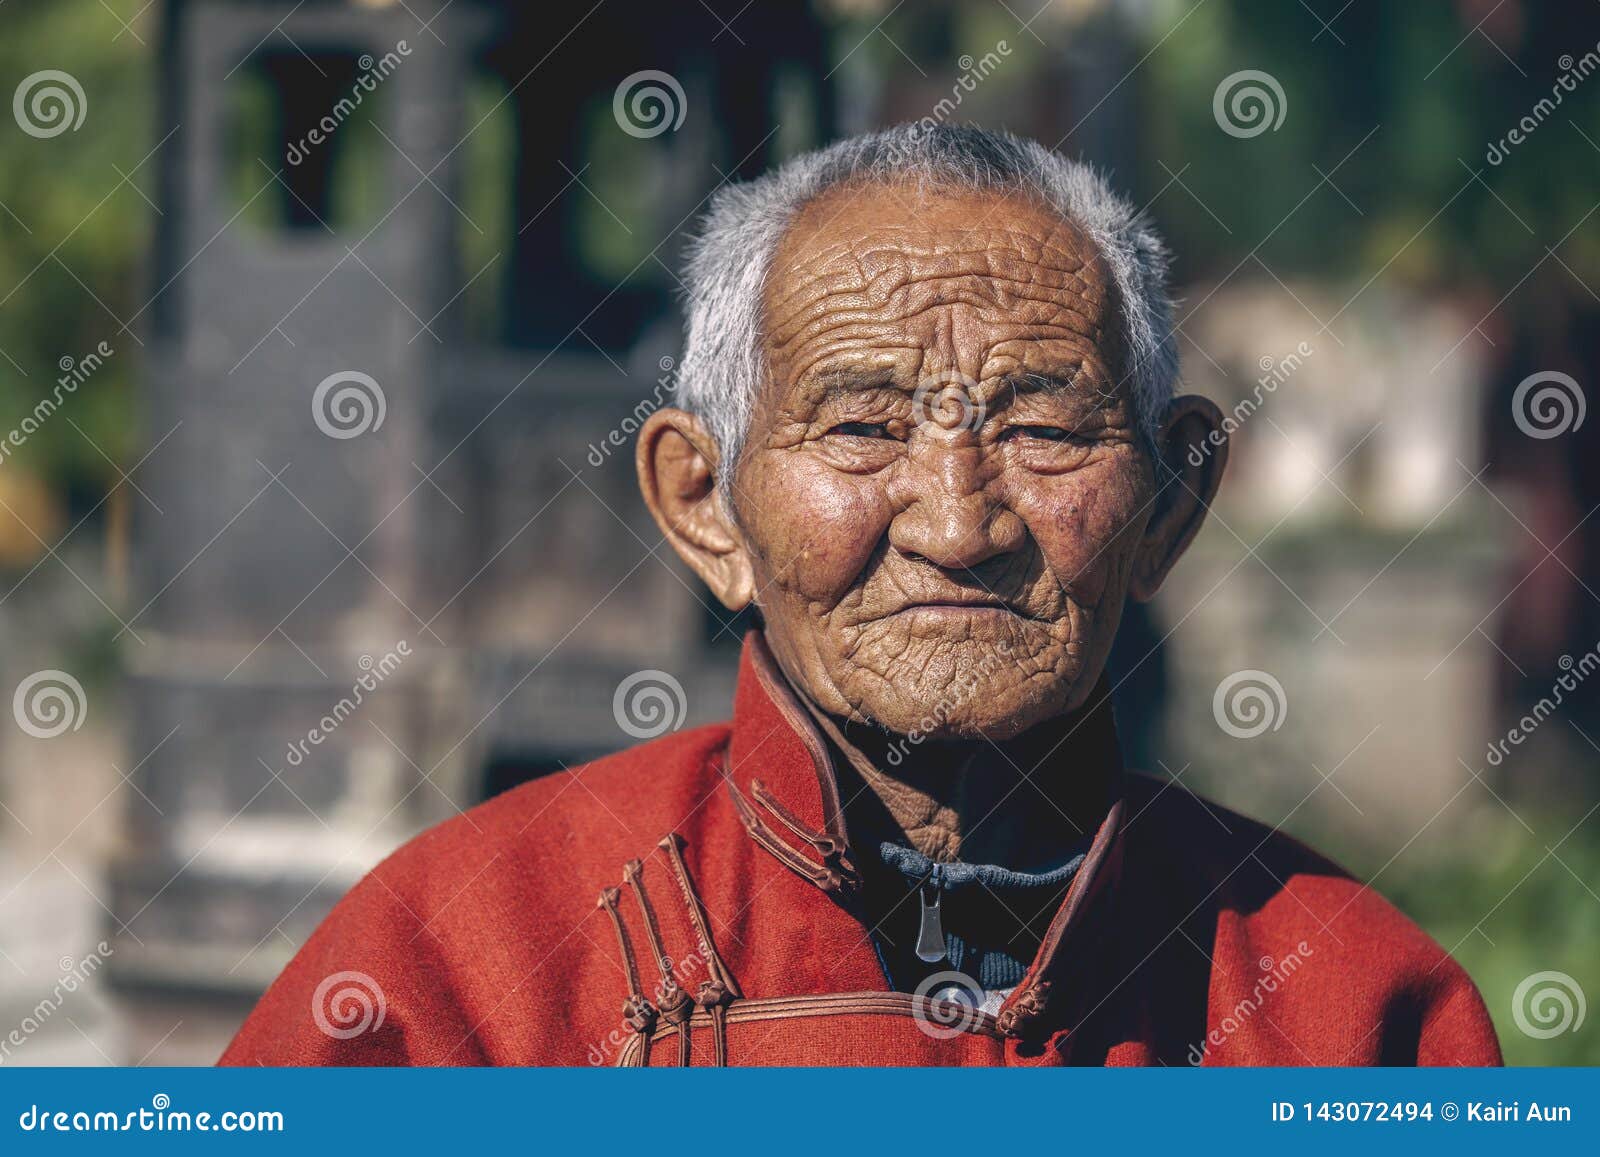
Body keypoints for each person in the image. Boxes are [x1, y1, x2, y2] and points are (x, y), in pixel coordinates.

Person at [222, 125, 1500, 1066]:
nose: (954, 523)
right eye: (861, 427)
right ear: (704, 505)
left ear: (1169, 502)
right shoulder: (460, 968)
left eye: (1043, 429)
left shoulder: (1351, 1004)